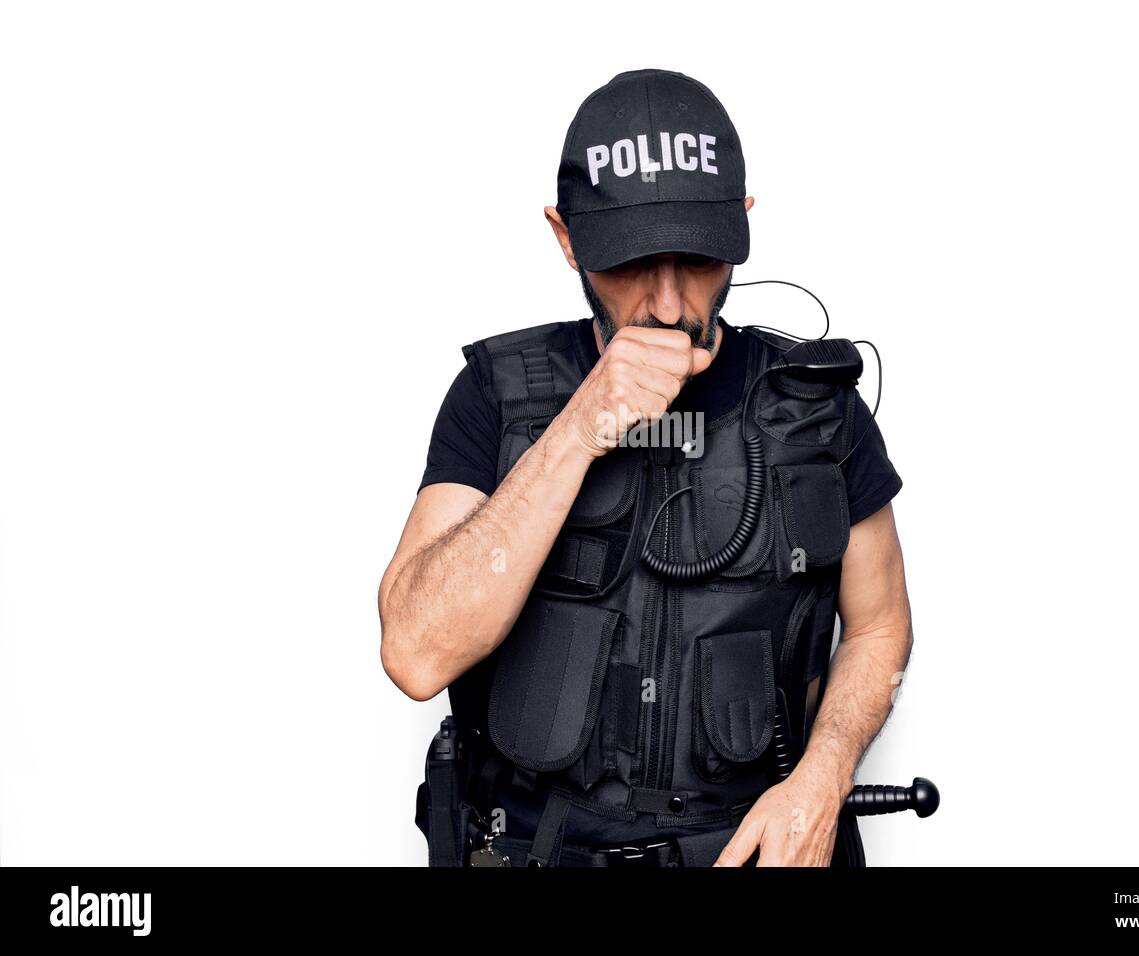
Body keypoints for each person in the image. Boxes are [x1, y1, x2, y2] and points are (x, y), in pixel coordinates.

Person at [379, 68, 913, 867]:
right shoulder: (495, 396)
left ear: (742, 224)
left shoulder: (817, 407)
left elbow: (878, 625)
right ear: (567, 240)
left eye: (697, 259)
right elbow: (417, 654)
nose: (669, 304)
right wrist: (581, 427)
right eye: (631, 263)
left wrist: (823, 779)